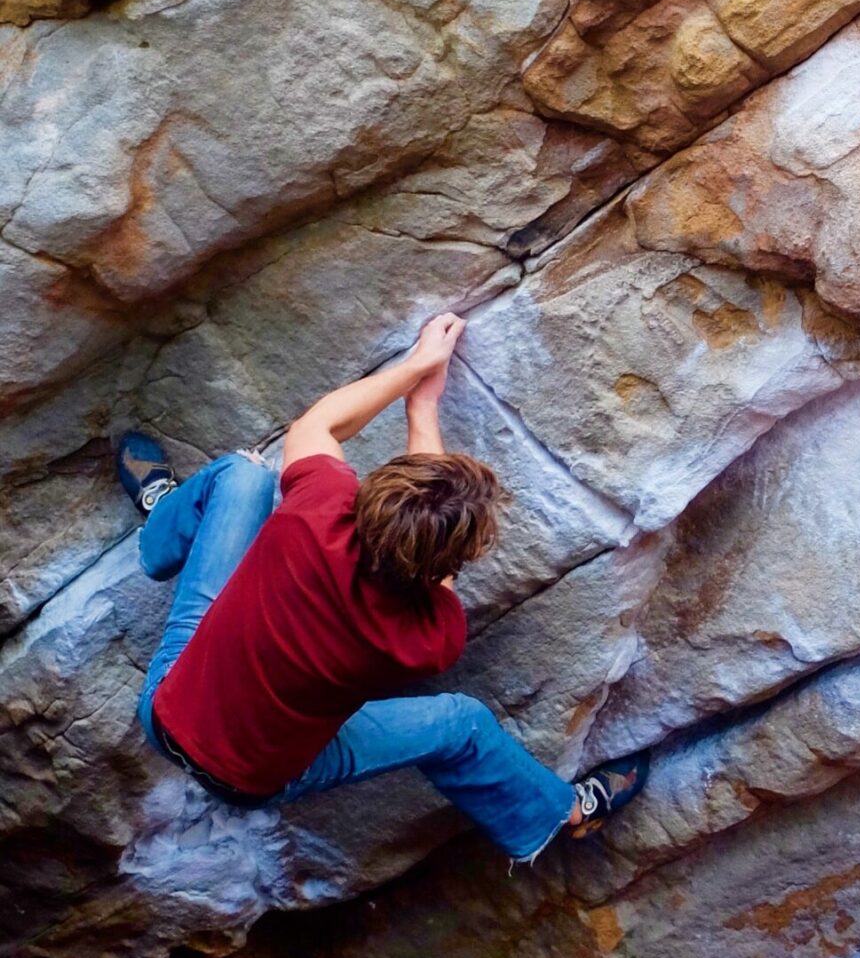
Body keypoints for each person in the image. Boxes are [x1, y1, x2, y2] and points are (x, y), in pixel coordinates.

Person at [116, 312, 645, 860]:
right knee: (461, 724)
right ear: (449, 567)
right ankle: (565, 813)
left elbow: (318, 425)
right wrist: (426, 410)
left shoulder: (318, 510)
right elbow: (431, 569)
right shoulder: (432, 635)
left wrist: (416, 372)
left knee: (243, 474)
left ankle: (161, 533)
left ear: (370, 494)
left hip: (169, 710)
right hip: (251, 780)